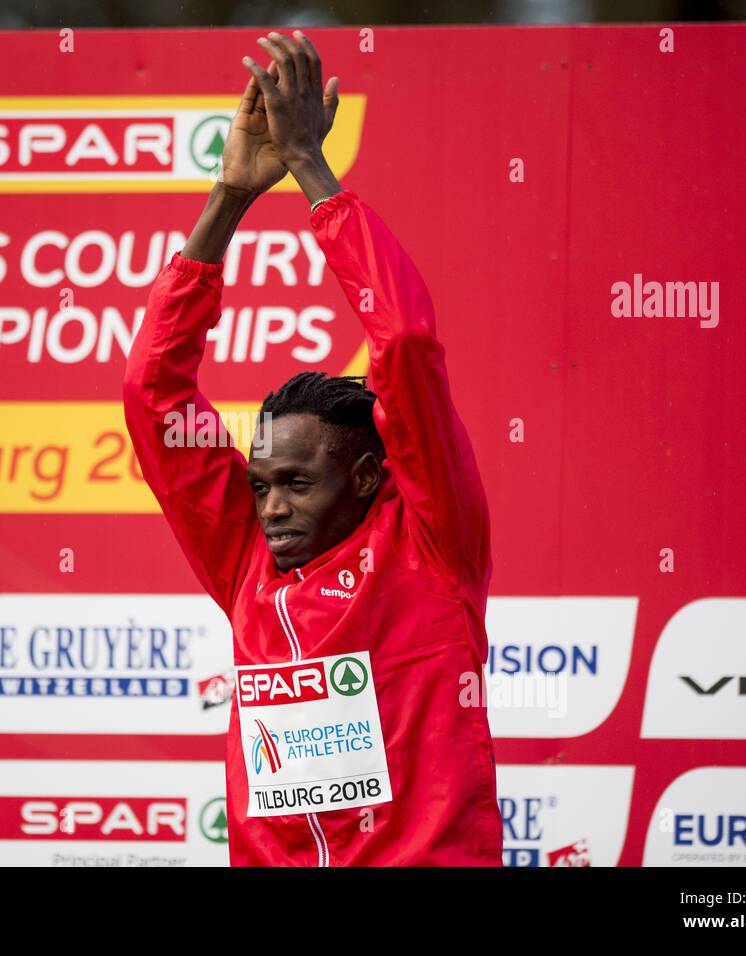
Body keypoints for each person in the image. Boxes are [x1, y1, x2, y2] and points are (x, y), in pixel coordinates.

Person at [123, 30, 502, 866]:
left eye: (296, 482)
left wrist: (309, 168)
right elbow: (154, 398)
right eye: (260, 485)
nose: (272, 506)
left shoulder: (431, 545)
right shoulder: (247, 560)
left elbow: (402, 339)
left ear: (369, 476)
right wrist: (228, 199)